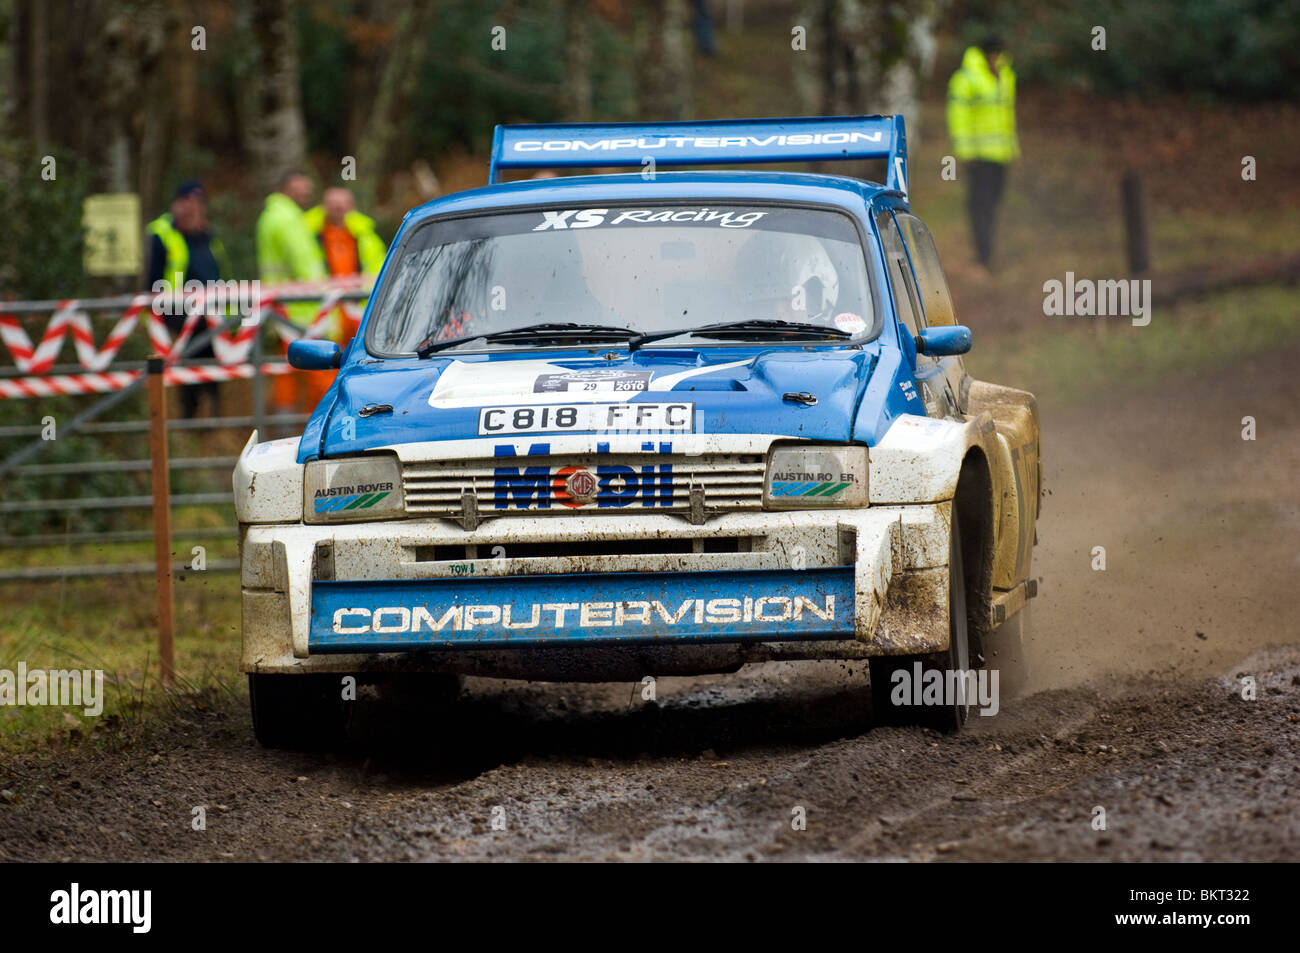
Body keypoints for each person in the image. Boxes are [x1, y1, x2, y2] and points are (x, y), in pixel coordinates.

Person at [146, 179, 230, 418]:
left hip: (211, 317)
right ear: (176, 204)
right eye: (187, 201)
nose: (192, 208)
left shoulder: (208, 237)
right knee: (187, 372)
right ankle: (189, 421)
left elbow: (221, 273)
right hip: (178, 316)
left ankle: (213, 420)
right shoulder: (162, 234)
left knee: (213, 369)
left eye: (197, 202)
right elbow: (151, 281)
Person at [256, 171, 328, 414]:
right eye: (301, 189)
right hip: (300, 311)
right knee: (318, 375)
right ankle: (320, 432)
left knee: (285, 374)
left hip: (283, 309)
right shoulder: (287, 218)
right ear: (287, 188)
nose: (306, 194)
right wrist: (326, 295)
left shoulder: (272, 215)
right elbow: (305, 264)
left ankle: (284, 429)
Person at [946, 34, 1019, 272]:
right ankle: (983, 254)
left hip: (1001, 154)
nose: (996, 57)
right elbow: (959, 117)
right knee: (980, 204)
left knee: (993, 203)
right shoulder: (965, 79)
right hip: (979, 156)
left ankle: (988, 251)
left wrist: (1012, 148)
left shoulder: (1006, 76)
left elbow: (1007, 115)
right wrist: (966, 152)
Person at [302, 187, 387, 347]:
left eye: (343, 203)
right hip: (324, 306)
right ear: (323, 206)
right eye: (333, 203)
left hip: (359, 306)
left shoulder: (364, 234)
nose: (338, 208)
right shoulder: (309, 233)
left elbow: (379, 267)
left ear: (352, 206)